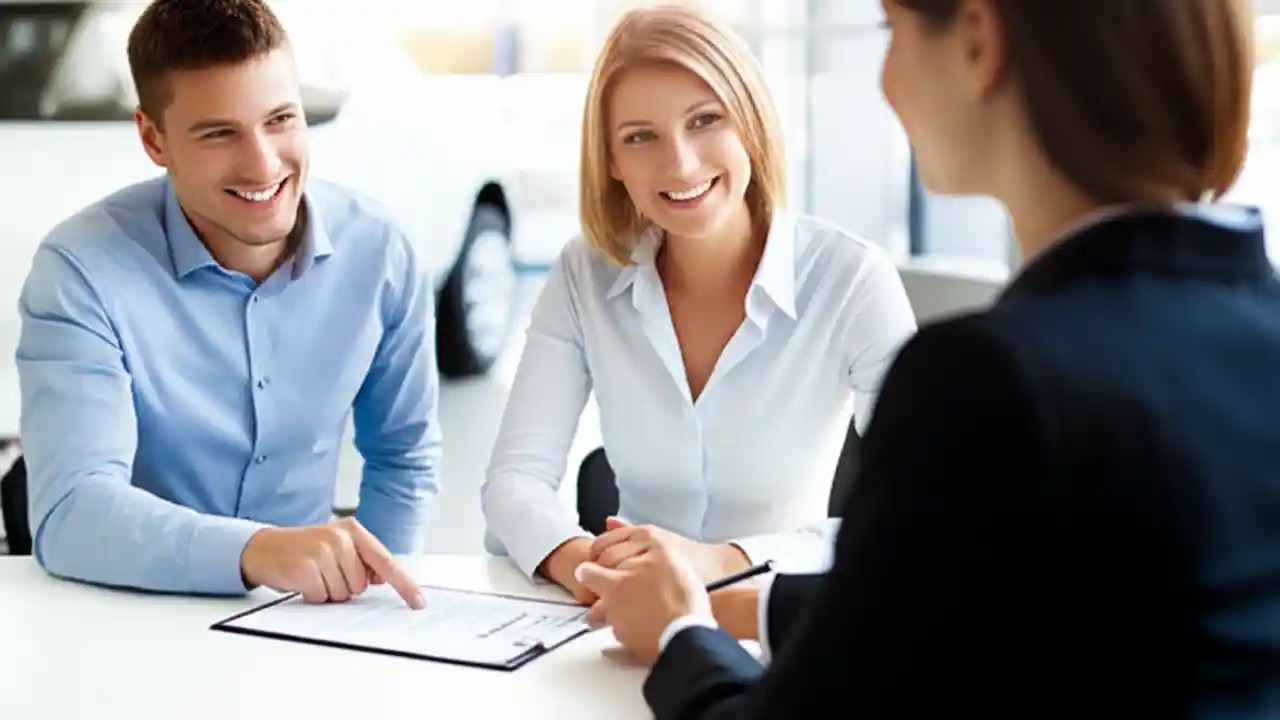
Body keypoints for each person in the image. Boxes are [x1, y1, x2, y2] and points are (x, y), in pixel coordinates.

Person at [578, 0, 1280, 715]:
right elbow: (1007, 602)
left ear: (978, 41)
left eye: (893, 32)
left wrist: (679, 634)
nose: (884, 79)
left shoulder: (990, 381)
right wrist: (737, 608)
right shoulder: (1256, 335)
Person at [481, 5, 916, 602]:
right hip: (618, 624)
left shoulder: (852, 280)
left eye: (705, 120)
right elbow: (514, 481)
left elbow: (917, 511)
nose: (680, 163)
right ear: (610, 161)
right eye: (640, 137)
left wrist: (719, 562)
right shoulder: (584, 273)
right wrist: (589, 569)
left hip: (780, 624)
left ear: (751, 123)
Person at [15, 0, 438, 608]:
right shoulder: (82, 270)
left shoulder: (380, 251)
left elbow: (404, 456)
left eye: (280, 120)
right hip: (124, 610)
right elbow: (72, 513)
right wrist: (258, 551)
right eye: (219, 133)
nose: (263, 163)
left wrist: (373, 607)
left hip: (302, 614)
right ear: (152, 139)